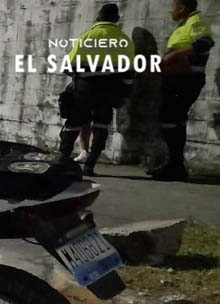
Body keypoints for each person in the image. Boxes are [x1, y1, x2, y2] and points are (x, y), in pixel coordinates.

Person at [58, 3, 135, 176]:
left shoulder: (86, 37)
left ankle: (62, 162)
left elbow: (67, 66)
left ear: (98, 17)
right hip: (109, 91)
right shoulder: (125, 41)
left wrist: (80, 77)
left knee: (73, 123)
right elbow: (129, 73)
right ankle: (90, 166)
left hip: (85, 89)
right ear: (116, 19)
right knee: (101, 126)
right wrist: (125, 94)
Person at [149, 0, 214, 181]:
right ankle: (174, 165)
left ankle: (174, 165)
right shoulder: (184, 25)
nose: (171, 10)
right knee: (173, 120)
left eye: (173, 6)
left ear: (182, 8)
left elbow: (206, 42)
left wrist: (176, 55)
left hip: (186, 80)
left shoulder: (195, 22)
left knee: (170, 118)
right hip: (177, 79)